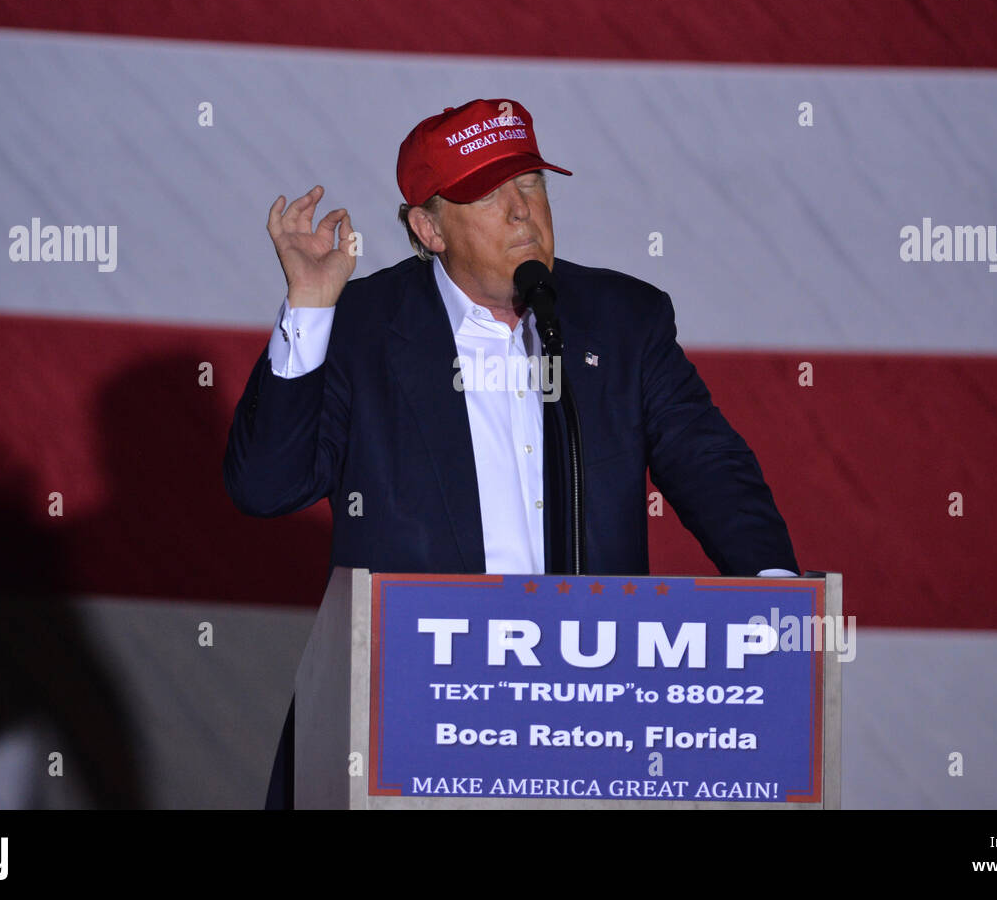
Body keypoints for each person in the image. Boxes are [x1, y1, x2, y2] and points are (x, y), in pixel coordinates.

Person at [222, 98, 799, 807]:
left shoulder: (623, 320)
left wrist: (776, 597)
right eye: (489, 196)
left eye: (531, 184)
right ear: (428, 227)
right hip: (414, 729)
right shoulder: (362, 326)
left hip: (592, 731)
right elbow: (264, 485)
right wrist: (311, 307)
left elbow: (711, 465)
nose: (522, 211)